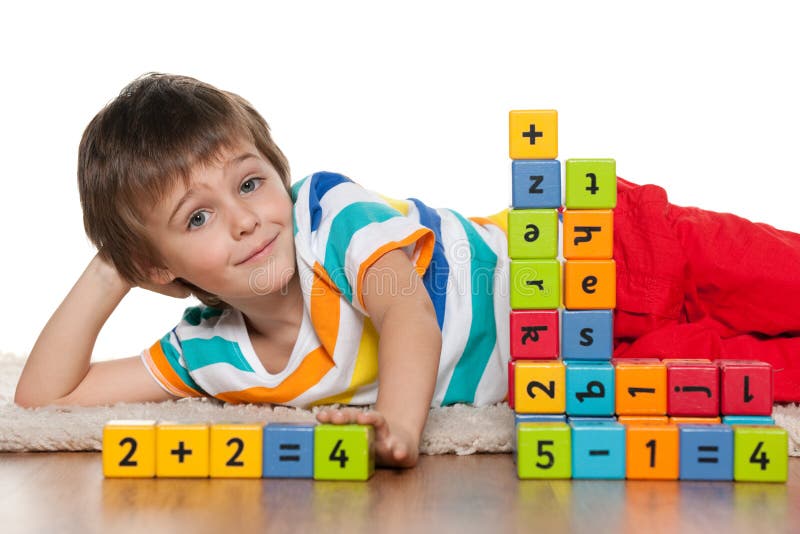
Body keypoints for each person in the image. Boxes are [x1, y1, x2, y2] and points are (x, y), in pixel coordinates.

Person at [13, 72, 511, 468]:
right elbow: (44, 398)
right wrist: (114, 267)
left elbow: (409, 313)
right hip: (537, 374)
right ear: (155, 265)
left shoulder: (328, 216)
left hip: (536, 274)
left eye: (249, 184)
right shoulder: (208, 355)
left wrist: (399, 430)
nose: (246, 221)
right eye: (198, 217)